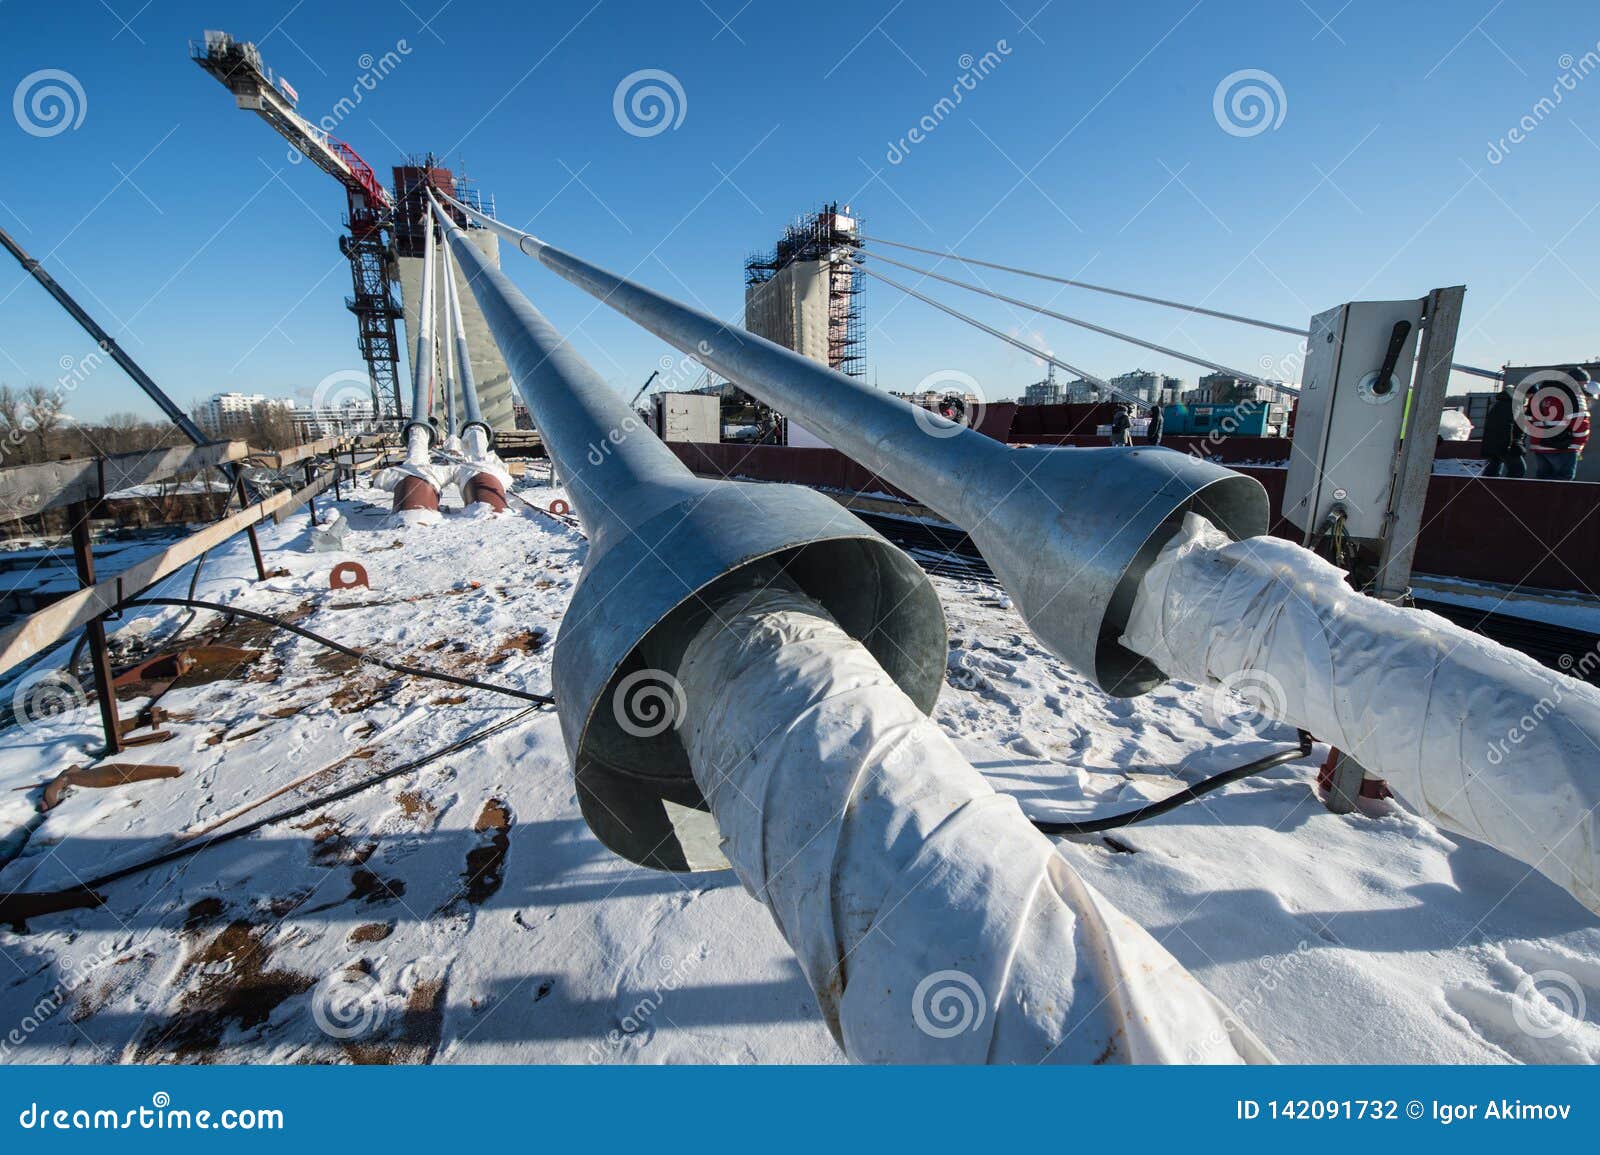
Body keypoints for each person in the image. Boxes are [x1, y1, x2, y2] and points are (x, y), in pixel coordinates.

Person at [1527, 368, 1593, 481]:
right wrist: (1578, 445)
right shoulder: (1574, 394)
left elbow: (1528, 419)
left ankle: (1539, 499)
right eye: (1585, 383)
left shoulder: (1540, 394)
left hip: (1539, 446)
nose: (1585, 387)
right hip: (1564, 448)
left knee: (1542, 481)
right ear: (1577, 382)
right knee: (1562, 482)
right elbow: (1580, 422)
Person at [1479, 383, 1526, 478]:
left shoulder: (1500, 404)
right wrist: (1508, 445)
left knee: (1493, 470)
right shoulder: (1513, 405)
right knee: (1519, 469)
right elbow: (1509, 426)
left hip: (1494, 443)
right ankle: (1507, 491)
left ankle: (1485, 490)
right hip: (1506, 445)